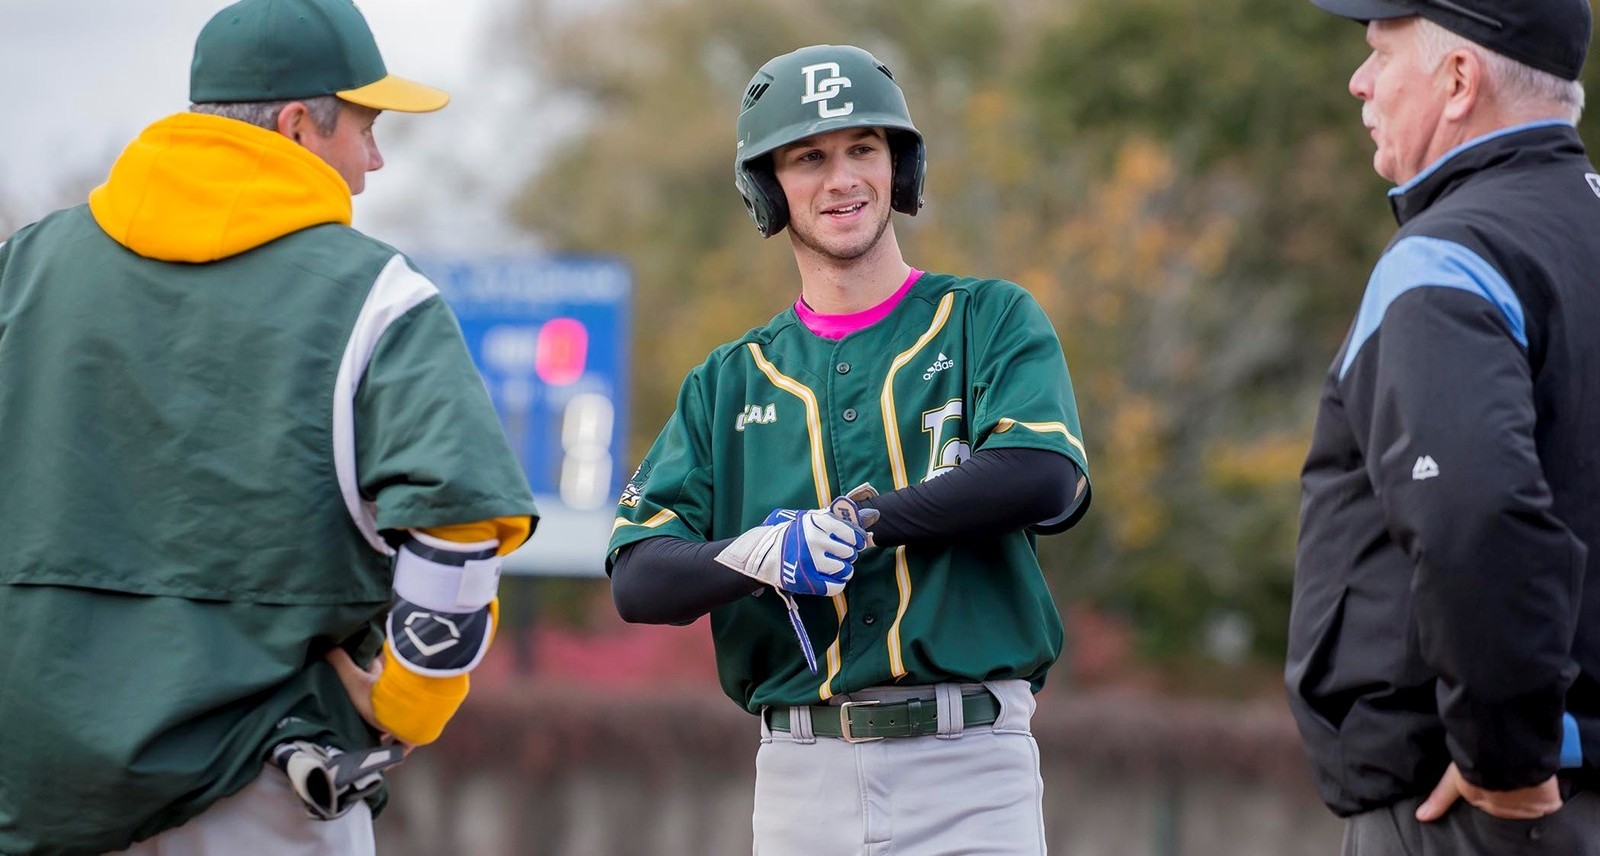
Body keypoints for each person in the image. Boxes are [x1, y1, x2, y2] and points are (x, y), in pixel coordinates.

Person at [0, 0, 538, 853]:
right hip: (268, 791)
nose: (374, 159)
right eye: (365, 127)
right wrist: (408, 708)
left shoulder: (22, 268)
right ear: (296, 125)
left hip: (32, 800)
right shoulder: (376, 294)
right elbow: (461, 529)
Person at [608, 43, 1091, 855]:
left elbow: (1042, 477)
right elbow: (639, 575)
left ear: (898, 168)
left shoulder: (987, 319)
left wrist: (862, 522)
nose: (842, 179)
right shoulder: (729, 381)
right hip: (802, 776)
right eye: (810, 157)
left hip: (971, 761)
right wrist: (755, 554)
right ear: (769, 187)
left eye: (864, 148)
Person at [1287, 0, 1600, 852]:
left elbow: (1473, 514)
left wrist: (1505, 758)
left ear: (1459, 79)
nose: (1360, 82)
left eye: (1381, 54)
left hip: (1482, 809)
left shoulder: (1449, 256)